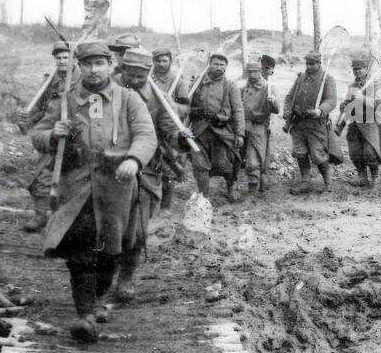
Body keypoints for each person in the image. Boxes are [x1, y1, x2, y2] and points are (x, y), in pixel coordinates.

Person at [30, 40, 157, 343]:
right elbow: (36, 135)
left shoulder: (128, 99)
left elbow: (146, 135)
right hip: (77, 184)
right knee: (80, 251)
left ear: (112, 65)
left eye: (99, 63)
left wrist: (133, 159)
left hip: (117, 184)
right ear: (79, 67)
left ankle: (97, 297)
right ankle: (85, 315)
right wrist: (52, 134)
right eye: (87, 64)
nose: (93, 70)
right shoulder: (66, 100)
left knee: (111, 250)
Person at [113, 48, 179, 301]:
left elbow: (169, 128)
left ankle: (126, 278)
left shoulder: (158, 98)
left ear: (149, 72)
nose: (136, 80)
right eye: (131, 74)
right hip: (109, 169)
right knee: (108, 227)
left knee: (138, 229)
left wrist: (180, 139)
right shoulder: (105, 91)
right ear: (123, 70)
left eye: (142, 76)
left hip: (146, 169)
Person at [177, 52, 245, 203]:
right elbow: (186, 108)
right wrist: (184, 127)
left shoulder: (230, 85)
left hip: (221, 132)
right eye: (215, 64)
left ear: (226, 67)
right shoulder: (197, 84)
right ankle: (204, 197)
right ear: (209, 65)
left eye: (222, 65)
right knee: (199, 165)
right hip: (199, 131)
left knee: (223, 165)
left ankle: (232, 185)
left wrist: (240, 134)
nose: (219, 67)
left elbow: (238, 110)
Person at [23, 42, 71, 232]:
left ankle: (64, 221)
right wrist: (27, 120)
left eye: (66, 57)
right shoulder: (50, 81)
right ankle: (40, 216)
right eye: (58, 58)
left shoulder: (81, 78)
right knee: (42, 174)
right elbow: (40, 108)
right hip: (52, 131)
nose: (62, 61)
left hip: (75, 134)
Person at [283, 50, 342, 194]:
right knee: (300, 153)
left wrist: (319, 110)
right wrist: (287, 112)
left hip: (316, 125)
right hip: (298, 124)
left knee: (318, 155)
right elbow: (290, 96)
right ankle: (305, 182)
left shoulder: (327, 79)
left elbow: (331, 100)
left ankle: (328, 184)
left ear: (319, 63)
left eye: (312, 64)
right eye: (307, 63)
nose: (309, 66)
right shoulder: (301, 78)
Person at [340, 55, 381, 188]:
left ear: (366, 69)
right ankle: (362, 178)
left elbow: (378, 104)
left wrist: (362, 98)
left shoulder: (375, 84)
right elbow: (348, 102)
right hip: (355, 122)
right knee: (355, 152)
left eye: (359, 69)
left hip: (370, 122)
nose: (357, 72)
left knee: (370, 151)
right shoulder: (352, 85)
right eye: (355, 69)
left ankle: (375, 178)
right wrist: (344, 105)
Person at [242, 60, 280, 195]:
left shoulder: (268, 87)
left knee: (255, 158)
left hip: (258, 127)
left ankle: (253, 189)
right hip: (243, 126)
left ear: (260, 72)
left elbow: (276, 110)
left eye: (255, 71)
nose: (252, 74)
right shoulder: (244, 86)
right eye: (250, 71)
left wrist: (273, 102)